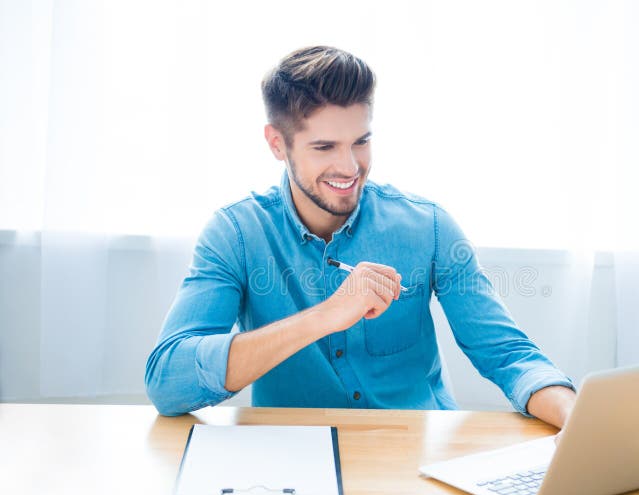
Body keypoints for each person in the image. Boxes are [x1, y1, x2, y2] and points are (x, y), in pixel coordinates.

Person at [145, 45, 576, 431]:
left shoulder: (429, 227)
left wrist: (576, 419)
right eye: (324, 147)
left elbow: (507, 354)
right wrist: (324, 316)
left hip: (416, 461)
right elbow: (167, 381)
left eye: (361, 141)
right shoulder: (236, 235)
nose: (350, 167)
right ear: (277, 144)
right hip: (293, 459)